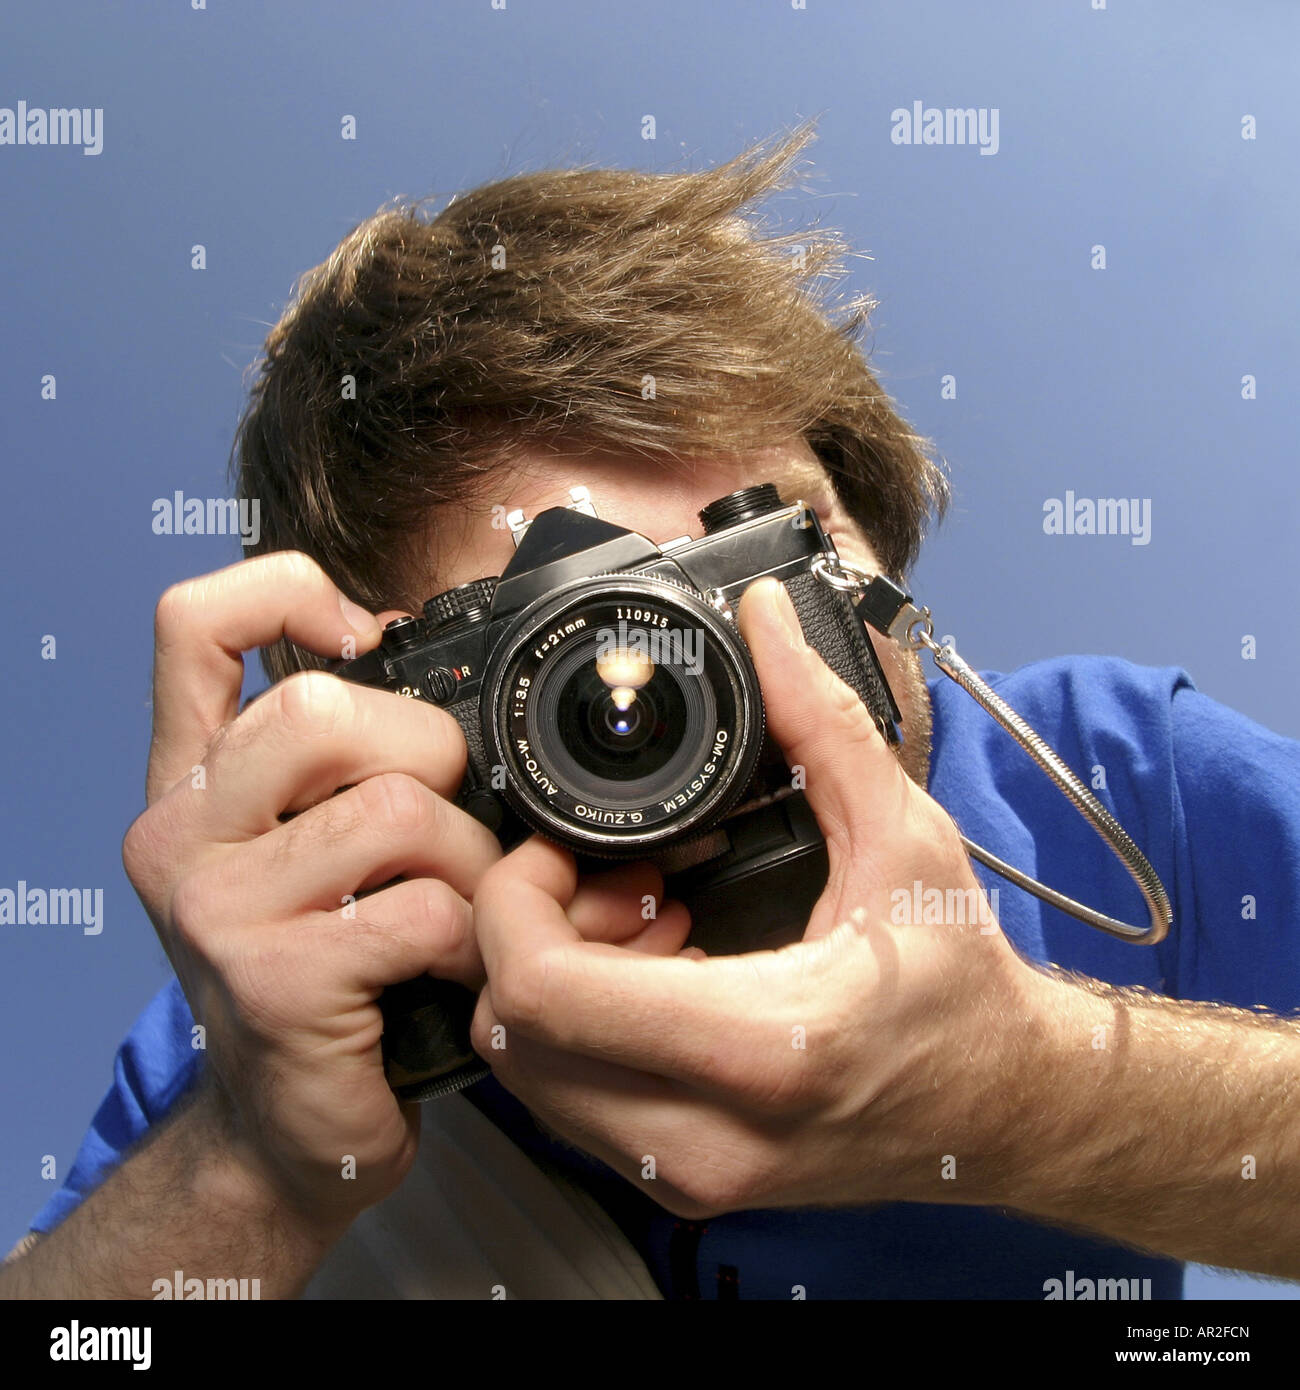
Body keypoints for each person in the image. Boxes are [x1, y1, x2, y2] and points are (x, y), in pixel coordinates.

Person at [6, 127, 1300, 1301]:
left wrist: (1031, 1092)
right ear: (375, 734)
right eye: (562, 657)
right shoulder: (283, 999)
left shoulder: (1115, 773)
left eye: (756, 569)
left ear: (883, 577)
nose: (678, 691)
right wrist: (253, 1165)